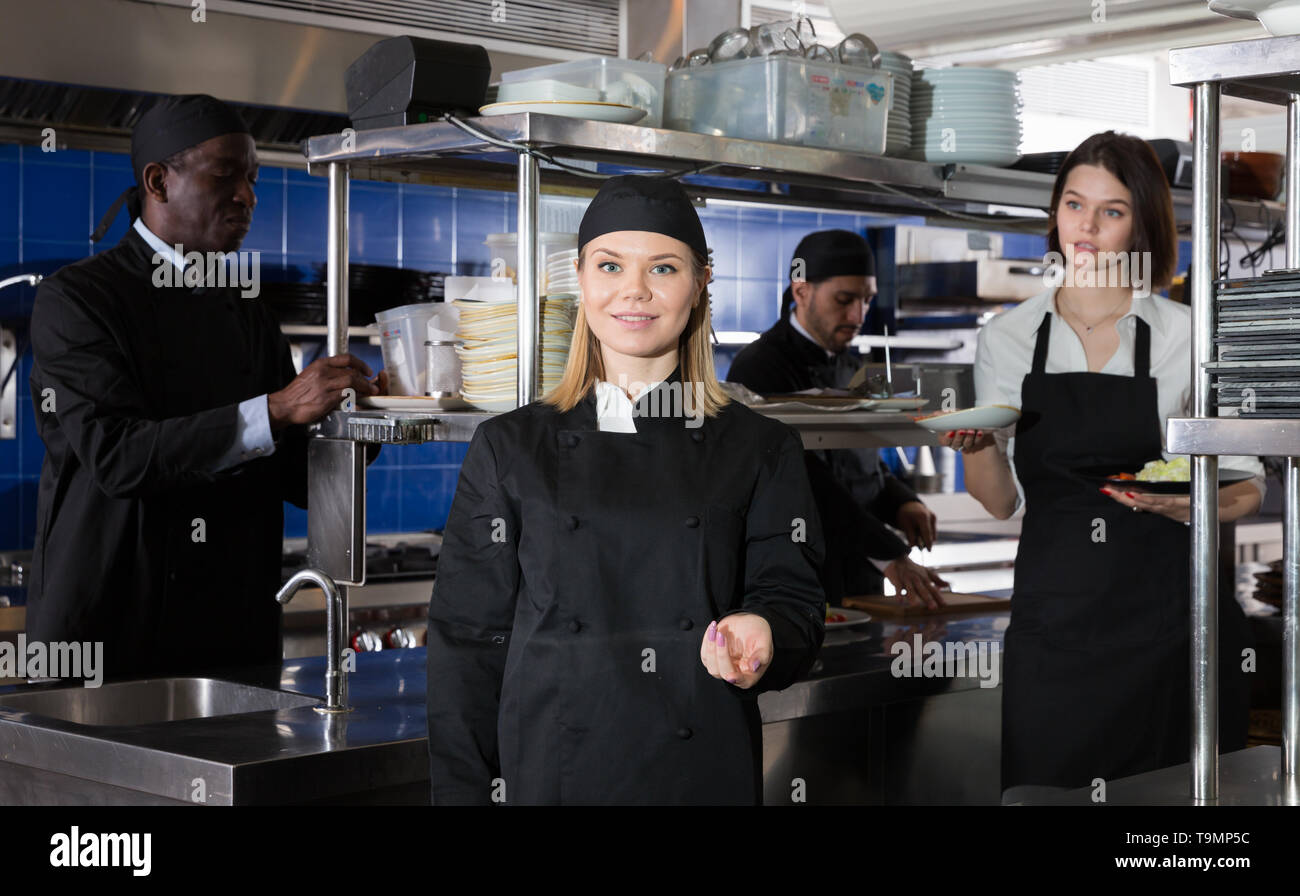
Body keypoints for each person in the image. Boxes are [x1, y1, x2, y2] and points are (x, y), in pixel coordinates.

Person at [425, 175, 826, 805]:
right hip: (552, 777)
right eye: (610, 265)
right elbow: (466, 650)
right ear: (581, 282)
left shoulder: (761, 447)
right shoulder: (509, 448)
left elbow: (795, 601)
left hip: (701, 775)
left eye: (663, 268)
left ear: (699, 287)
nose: (634, 290)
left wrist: (765, 629)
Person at [943, 131, 1263, 796]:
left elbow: (1245, 487)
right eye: (1073, 204)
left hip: (1172, 630)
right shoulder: (1007, 340)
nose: (1085, 227)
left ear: (1141, 223)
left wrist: (1185, 504)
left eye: (1111, 211)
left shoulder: (1186, 337)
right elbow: (1000, 501)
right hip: (1055, 632)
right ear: (1055, 212)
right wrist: (977, 451)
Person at [27, 94, 384, 680]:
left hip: (230, 635)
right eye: (226, 176)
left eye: (252, 178)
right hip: (111, 637)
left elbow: (293, 477)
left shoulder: (247, 308)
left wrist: (357, 423)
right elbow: (118, 457)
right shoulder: (79, 300)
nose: (248, 196)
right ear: (158, 182)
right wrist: (276, 409)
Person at [726, 230, 947, 608]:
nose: (858, 316)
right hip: (795, 582)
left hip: (861, 579)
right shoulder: (759, 368)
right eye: (844, 300)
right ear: (801, 291)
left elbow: (863, 463)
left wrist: (901, 501)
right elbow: (805, 480)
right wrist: (889, 553)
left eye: (866, 300)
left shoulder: (854, 367)